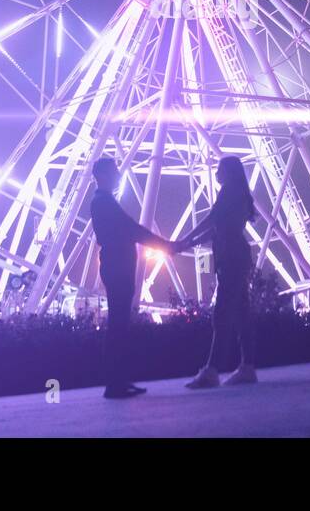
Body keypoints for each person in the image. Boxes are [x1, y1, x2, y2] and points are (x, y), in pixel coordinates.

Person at [88, 156, 176, 399]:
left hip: (117, 265)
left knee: (119, 324)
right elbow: (132, 230)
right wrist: (165, 245)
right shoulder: (103, 202)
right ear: (103, 175)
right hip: (118, 267)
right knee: (118, 325)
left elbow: (129, 230)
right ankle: (115, 383)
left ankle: (118, 380)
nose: (118, 174)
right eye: (114, 171)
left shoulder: (103, 202)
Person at [172, 156, 258, 388]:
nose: (216, 173)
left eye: (220, 169)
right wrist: (187, 243)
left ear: (228, 172)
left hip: (230, 257)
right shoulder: (240, 194)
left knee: (221, 314)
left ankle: (212, 370)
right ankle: (247, 366)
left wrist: (184, 241)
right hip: (236, 255)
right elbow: (218, 229)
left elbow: (212, 222)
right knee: (241, 314)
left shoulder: (229, 192)